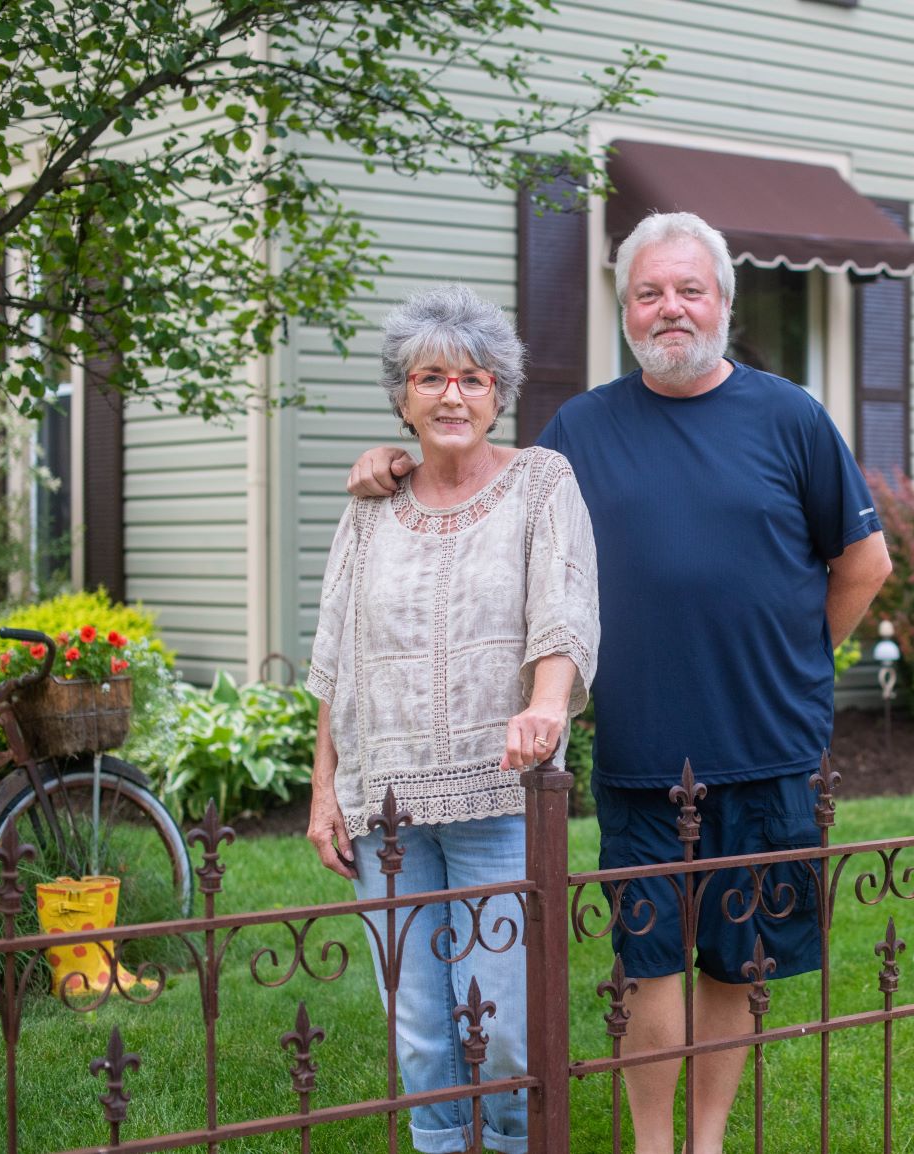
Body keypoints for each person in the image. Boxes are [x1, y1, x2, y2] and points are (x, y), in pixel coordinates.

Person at [348, 212, 892, 1154]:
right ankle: (651, 1144)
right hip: (641, 752)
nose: (670, 308)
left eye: (689, 290)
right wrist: (396, 462)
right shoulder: (580, 431)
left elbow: (864, 563)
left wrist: (802, 666)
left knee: (736, 963)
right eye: (650, 292)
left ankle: (707, 1140)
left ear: (722, 302)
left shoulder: (791, 416)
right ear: (626, 309)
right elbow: (480, 474)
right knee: (649, 965)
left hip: (767, 747)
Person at [308, 283, 598, 1154]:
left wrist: (545, 707)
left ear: (499, 395)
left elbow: (566, 611)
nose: (453, 396)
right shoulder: (369, 508)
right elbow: (335, 658)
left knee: (503, 1024)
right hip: (386, 808)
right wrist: (327, 791)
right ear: (402, 398)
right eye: (430, 378)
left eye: (473, 379)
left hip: (499, 797)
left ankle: (510, 1143)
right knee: (422, 1027)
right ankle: (442, 1145)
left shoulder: (541, 484)